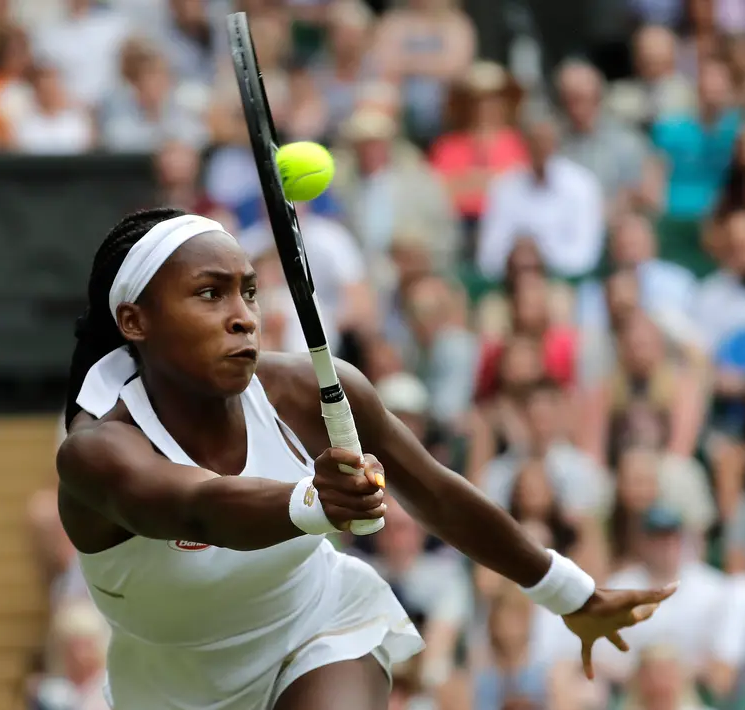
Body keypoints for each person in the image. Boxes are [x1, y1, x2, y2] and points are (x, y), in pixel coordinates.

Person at [55, 208, 677, 709]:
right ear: (135, 321)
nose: (243, 317)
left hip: (317, 629)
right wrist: (312, 502)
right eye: (210, 294)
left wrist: (570, 591)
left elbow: (433, 490)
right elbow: (200, 509)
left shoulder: (306, 391)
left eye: (248, 291)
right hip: (168, 690)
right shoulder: (97, 454)